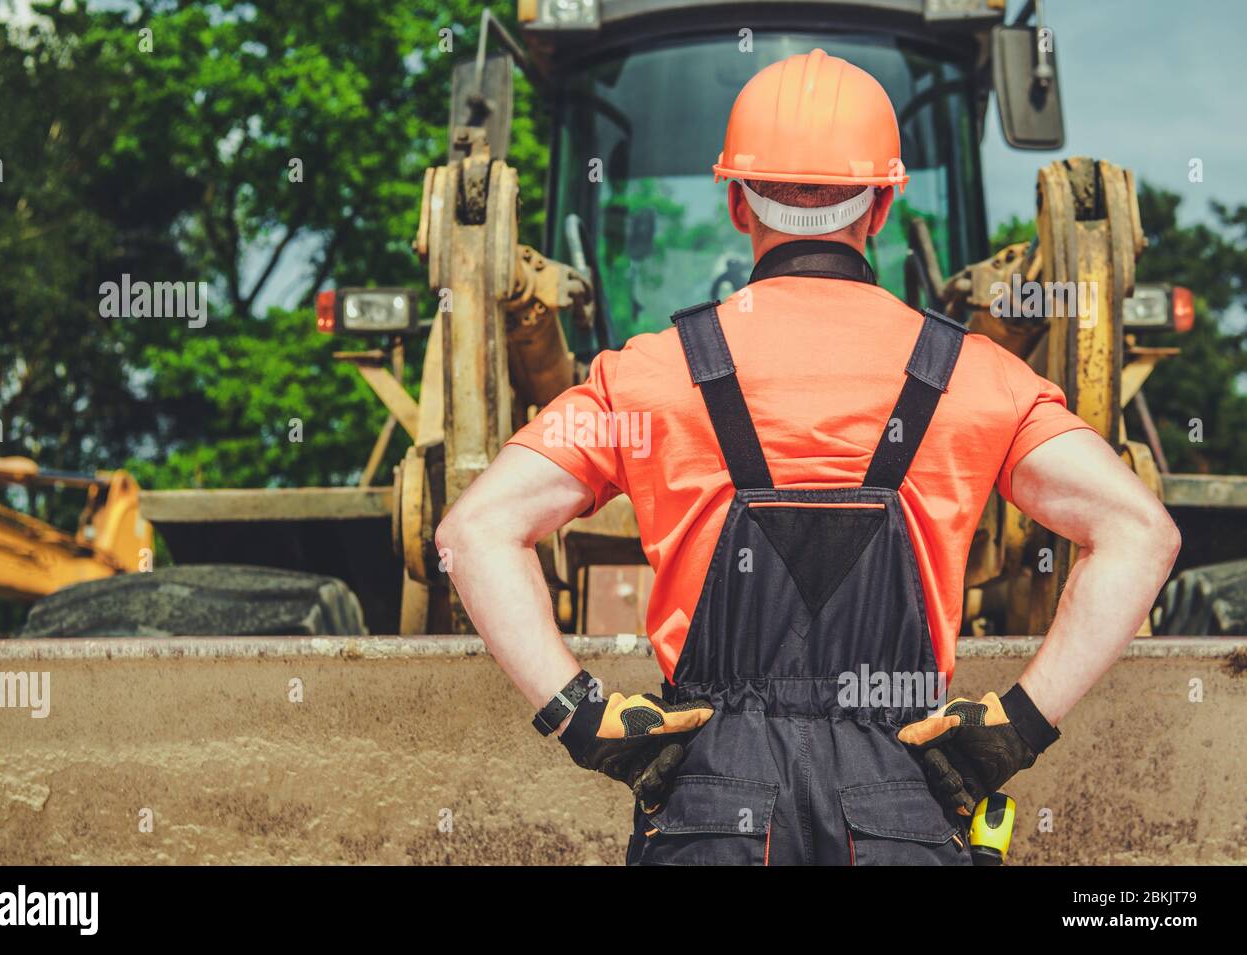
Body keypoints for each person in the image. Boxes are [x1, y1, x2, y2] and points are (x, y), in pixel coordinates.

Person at [436, 49, 1180, 865]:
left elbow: (474, 532)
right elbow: (1139, 531)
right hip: (900, 804)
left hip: (712, 813)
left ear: (734, 203)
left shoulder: (646, 375)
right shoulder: (976, 376)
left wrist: (585, 720)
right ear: (886, 203)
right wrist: (1015, 728)